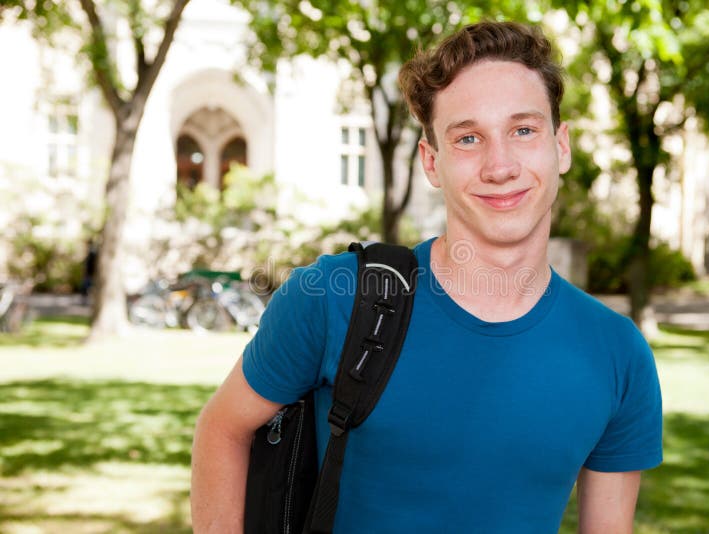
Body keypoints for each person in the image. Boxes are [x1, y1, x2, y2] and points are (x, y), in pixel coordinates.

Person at [191, 21, 662, 533]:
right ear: (431, 161)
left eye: (523, 130)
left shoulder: (618, 354)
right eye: (468, 138)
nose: (499, 165)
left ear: (561, 146)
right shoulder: (335, 298)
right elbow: (222, 429)